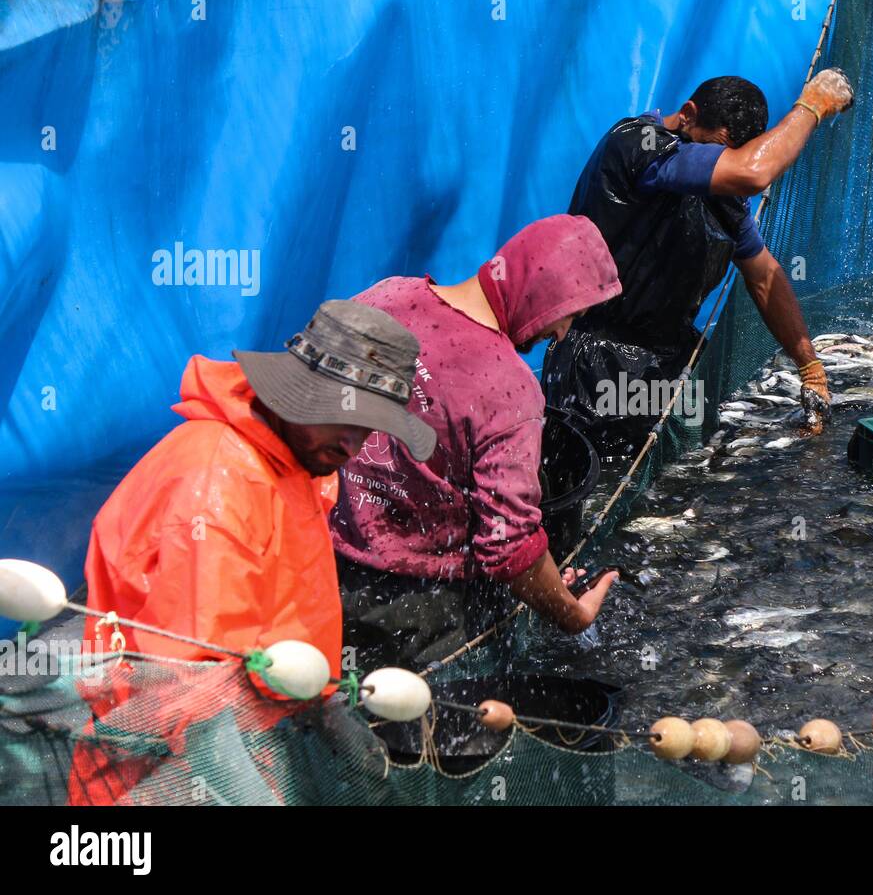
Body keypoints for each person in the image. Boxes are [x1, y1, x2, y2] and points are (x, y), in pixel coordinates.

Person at [71, 300, 435, 805]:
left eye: (370, 429)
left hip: (258, 741)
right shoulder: (217, 487)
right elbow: (192, 691)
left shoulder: (297, 463)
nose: (354, 445)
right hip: (160, 775)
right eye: (345, 418)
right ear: (302, 393)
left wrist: (329, 715)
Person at [330, 214, 623, 673]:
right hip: (420, 616)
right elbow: (508, 546)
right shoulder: (509, 390)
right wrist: (570, 612)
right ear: (545, 291)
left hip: (325, 572)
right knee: (427, 735)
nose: (562, 335)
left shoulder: (388, 296)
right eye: (571, 316)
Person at [543, 71, 856, 454]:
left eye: (725, 157)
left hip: (669, 363)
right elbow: (753, 171)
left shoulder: (721, 193)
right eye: (715, 151)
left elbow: (763, 277)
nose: (717, 165)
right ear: (688, 114)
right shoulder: (637, 146)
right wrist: (812, 105)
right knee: (603, 481)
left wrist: (810, 368)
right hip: (595, 365)